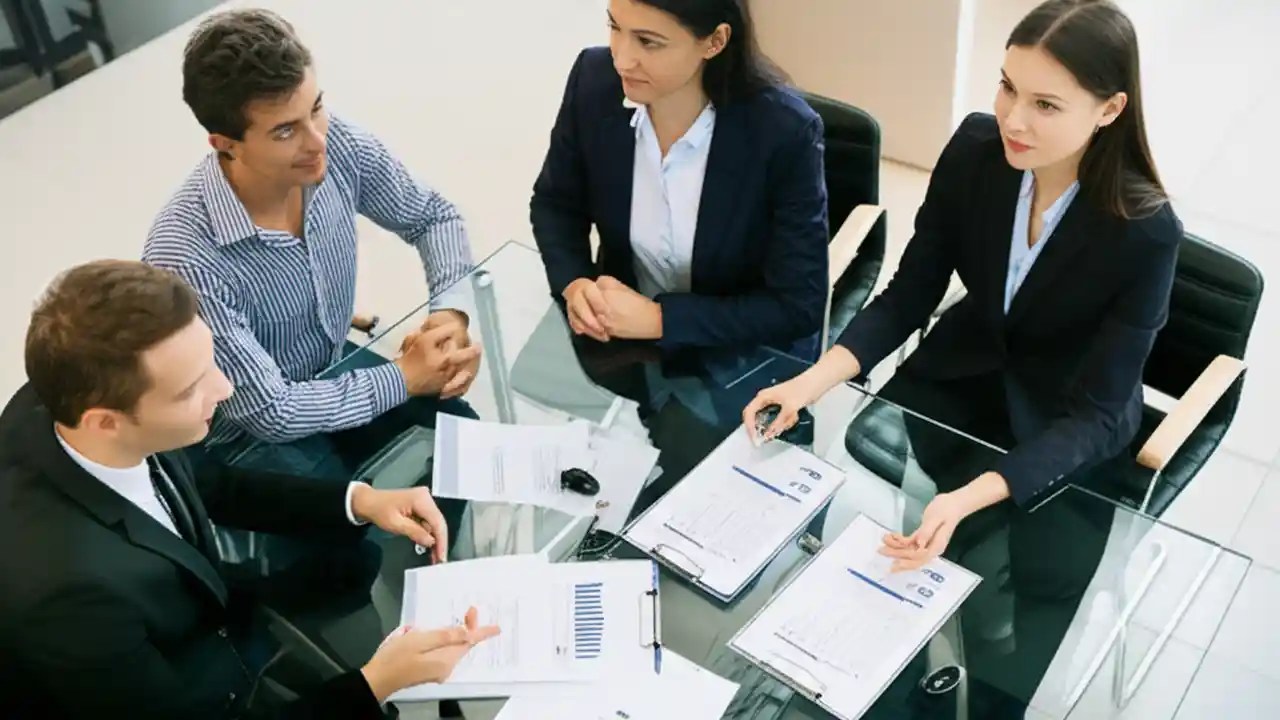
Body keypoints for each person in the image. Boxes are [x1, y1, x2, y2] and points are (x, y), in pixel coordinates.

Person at [745, 0, 1177, 710]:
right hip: (956, 390)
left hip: (1064, 436)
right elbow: (908, 296)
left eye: (1044, 104)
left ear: (1109, 109)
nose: (1013, 119)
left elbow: (1100, 413)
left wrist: (974, 496)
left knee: (1011, 649)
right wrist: (811, 382)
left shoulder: (1146, 231)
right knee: (903, 575)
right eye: (1007, 87)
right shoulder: (978, 151)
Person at [0, 261, 498, 719]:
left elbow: (210, 482)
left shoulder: (70, 397)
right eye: (191, 388)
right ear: (106, 423)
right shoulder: (66, 594)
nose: (224, 388)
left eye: (211, 361)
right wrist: (376, 683)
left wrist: (360, 500)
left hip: (208, 619)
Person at [143, 9, 480, 480]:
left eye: (316, 107)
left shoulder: (331, 142)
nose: (317, 140)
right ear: (225, 144)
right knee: (355, 530)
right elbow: (270, 411)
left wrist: (450, 315)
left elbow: (433, 216)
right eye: (285, 131)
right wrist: (405, 376)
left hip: (327, 370)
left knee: (466, 441)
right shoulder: (185, 256)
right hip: (244, 440)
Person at [531, 0, 829, 359]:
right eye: (615, 28)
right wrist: (576, 283)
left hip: (739, 352)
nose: (622, 59)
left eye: (648, 41)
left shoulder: (783, 131)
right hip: (625, 343)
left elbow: (797, 306)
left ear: (714, 41)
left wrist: (660, 319)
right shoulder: (593, 80)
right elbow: (555, 203)